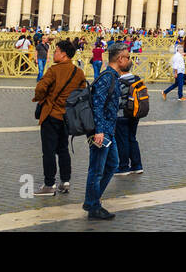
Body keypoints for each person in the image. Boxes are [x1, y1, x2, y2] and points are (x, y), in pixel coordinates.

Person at [31, 38, 85, 196]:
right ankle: (65, 181)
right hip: (68, 117)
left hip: (52, 114)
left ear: (63, 54)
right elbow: (82, 93)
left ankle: (49, 184)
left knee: (48, 150)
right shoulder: (78, 72)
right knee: (63, 149)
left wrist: (42, 98)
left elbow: (40, 88)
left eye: (56, 51)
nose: (54, 53)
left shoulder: (54, 70)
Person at [82, 43, 126, 221]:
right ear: (119, 59)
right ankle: (93, 206)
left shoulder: (113, 76)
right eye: (128, 57)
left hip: (109, 130)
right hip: (102, 131)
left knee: (112, 164)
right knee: (97, 169)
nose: (129, 60)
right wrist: (99, 131)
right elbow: (98, 105)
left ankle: (92, 200)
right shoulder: (107, 77)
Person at [113, 48, 144, 177]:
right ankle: (137, 165)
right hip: (135, 113)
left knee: (122, 140)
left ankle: (124, 166)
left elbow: (118, 100)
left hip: (122, 115)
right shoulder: (136, 79)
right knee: (132, 138)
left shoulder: (119, 81)